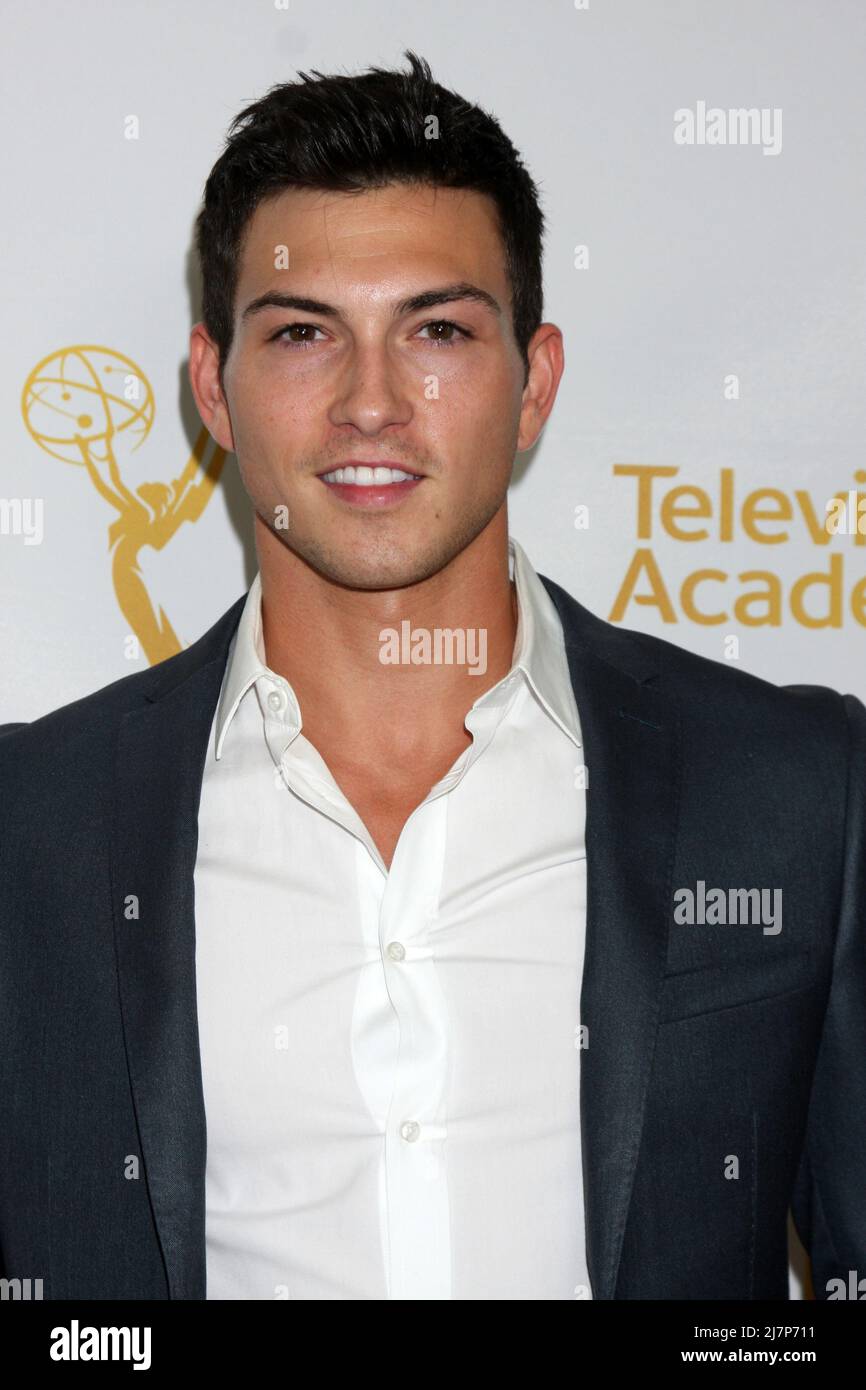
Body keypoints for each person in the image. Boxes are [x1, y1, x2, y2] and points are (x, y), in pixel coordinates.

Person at [1, 50, 863, 1302]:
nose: (369, 403)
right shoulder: (34, 826)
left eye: (438, 331)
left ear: (534, 383)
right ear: (213, 390)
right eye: (302, 334)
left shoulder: (791, 792)